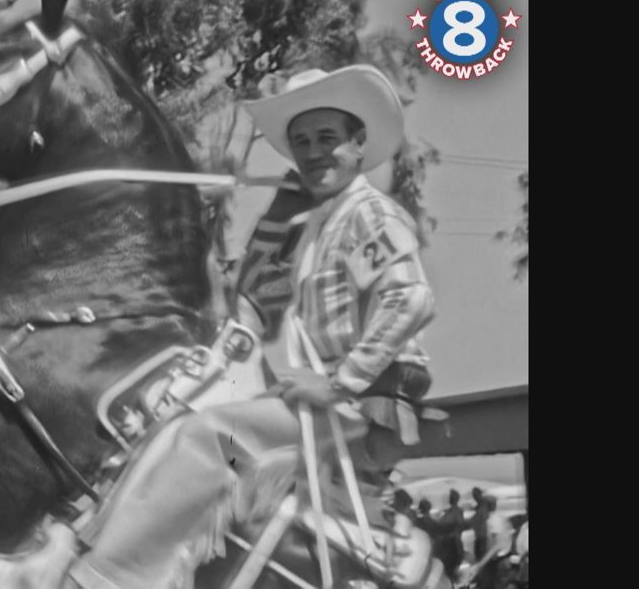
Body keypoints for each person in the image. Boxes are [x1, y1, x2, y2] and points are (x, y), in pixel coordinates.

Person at [65, 65, 437, 589]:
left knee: (202, 437)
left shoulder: (369, 216)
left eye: (327, 138)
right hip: (333, 408)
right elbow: (254, 306)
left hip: (362, 407)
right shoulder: (323, 223)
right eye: (302, 141)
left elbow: (411, 297)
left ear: (358, 144)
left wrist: (335, 384)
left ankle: (105, 579)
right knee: (220, 450)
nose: (313, 152)